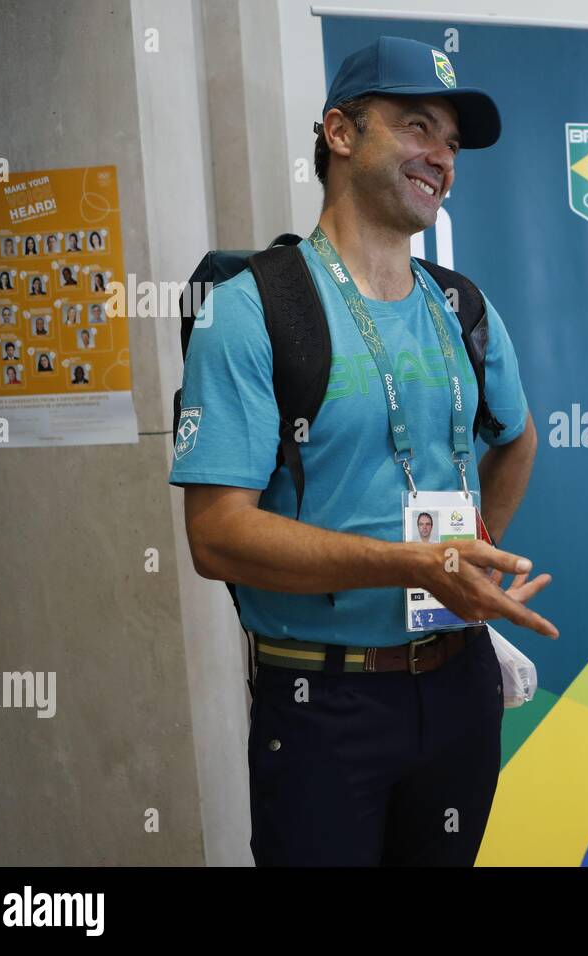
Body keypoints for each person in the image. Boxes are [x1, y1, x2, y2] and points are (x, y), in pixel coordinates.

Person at [169, 36, 550, 867]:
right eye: (417, 127)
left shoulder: (461, 305)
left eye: (451, 143)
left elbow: (517, 438)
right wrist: (411, 565)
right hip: (320, 701)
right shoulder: (252, 310)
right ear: (341, 134)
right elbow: (215, 537)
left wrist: (463, 557)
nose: (441, 158)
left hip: (458, 686)